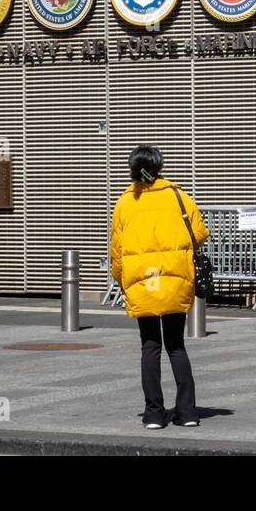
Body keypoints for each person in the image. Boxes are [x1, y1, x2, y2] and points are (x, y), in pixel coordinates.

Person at [109, 146, 208, 429]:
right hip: (174, 280)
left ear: (132, 170)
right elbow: (200, 232)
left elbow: (116, 251)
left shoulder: (125, 203)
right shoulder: (178, 196)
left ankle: (154, 413)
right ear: (159, 167)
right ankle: (187, 412)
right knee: (176, 345)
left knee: (150, 345)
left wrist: (121, 279)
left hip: (142, 282)